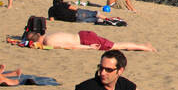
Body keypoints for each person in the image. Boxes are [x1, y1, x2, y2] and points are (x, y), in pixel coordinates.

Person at [25, 30, 154, 52]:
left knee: (116, 46)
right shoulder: (49, 35)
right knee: (115, 45)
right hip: (82, 34)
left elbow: (70, 47)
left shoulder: (49, 42)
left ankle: (145, 47)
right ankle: (143, 46)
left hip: (85, 40)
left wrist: (89, 48)